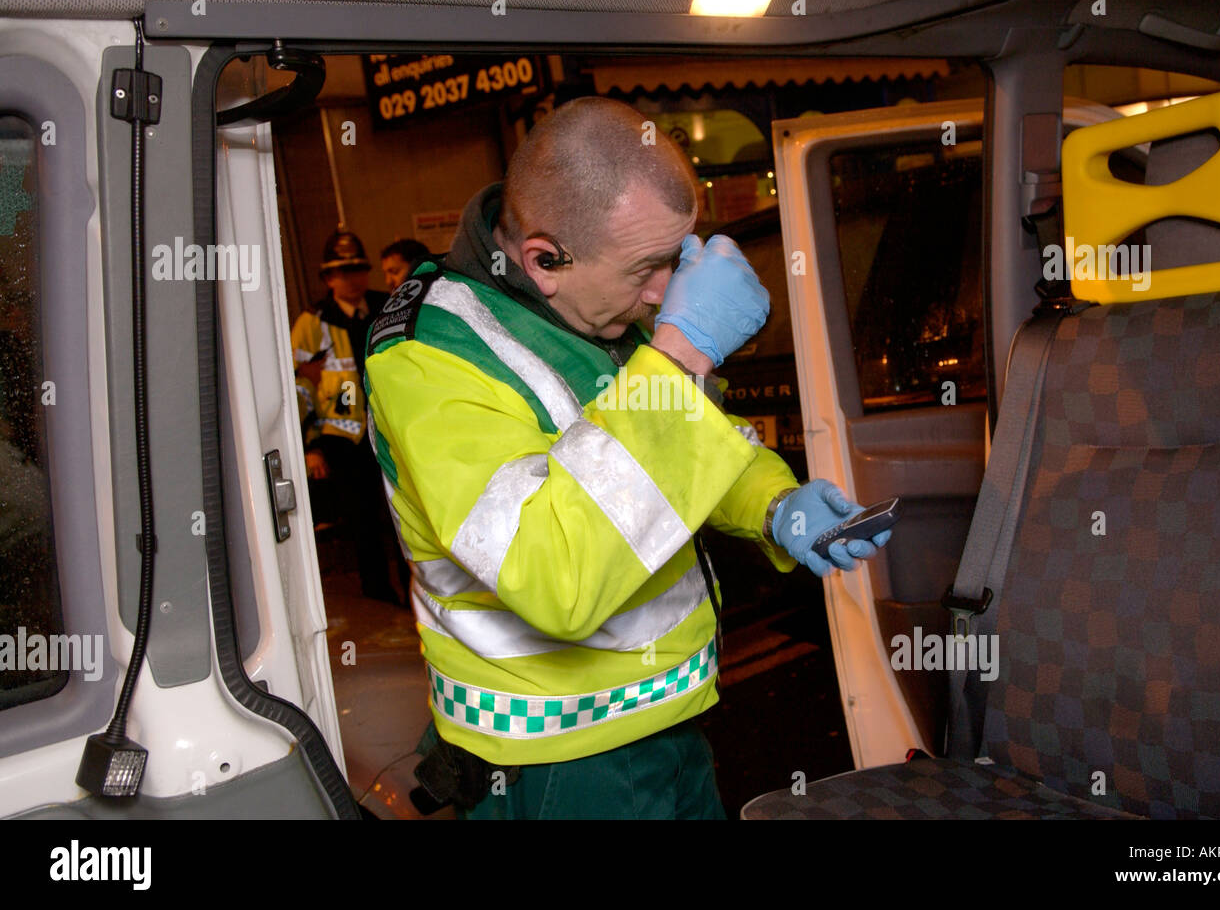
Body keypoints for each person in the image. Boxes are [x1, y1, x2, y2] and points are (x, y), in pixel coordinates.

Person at [362, 97, 891, 819]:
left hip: (668, 721)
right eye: (647, 267)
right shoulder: (432, 355)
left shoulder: (588, 304)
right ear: (544, 259)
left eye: (674, 261)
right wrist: (680, 354)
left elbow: (686, 444)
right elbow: (553, 574)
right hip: (556, 760)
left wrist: (774, 503)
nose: (661, 294)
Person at [292, 228, 408, 606]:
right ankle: (377, 593)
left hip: (392, 430)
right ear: (328, 278)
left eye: (359, 269)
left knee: (404, 517)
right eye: (344, 272)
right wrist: (311, 447)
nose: (355, 279)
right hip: (344, 438)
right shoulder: (313, 322)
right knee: (362, 522)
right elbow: (298, 389)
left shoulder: (385, 305)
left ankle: (413, 592)